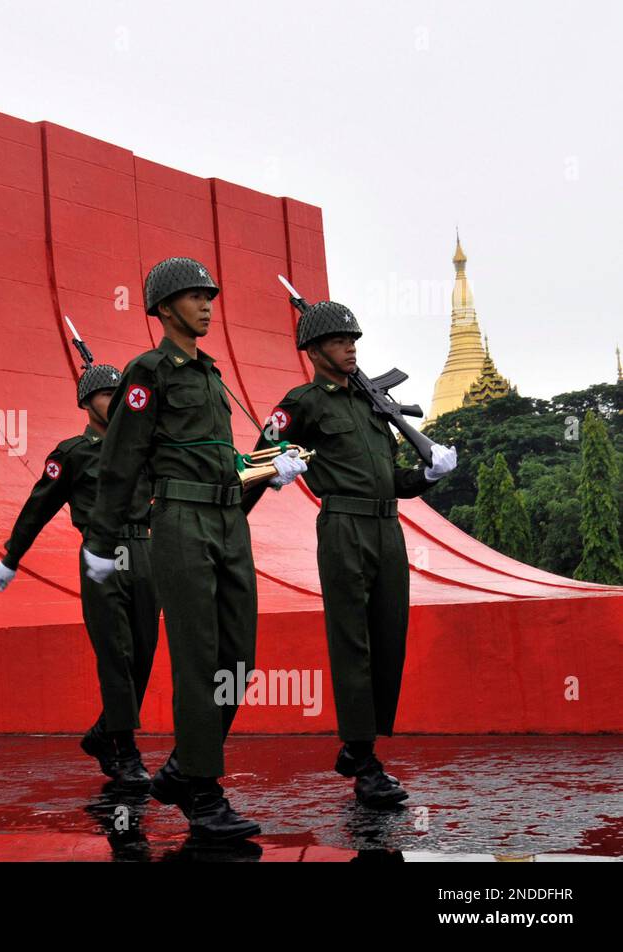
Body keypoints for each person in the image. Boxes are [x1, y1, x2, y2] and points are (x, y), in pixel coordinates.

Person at [84, 257, 307, 840]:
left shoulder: (211, 373)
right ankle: (204, 793)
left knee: (238, 661)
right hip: (180, 521)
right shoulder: (147, 372)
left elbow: (222, 456)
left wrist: (264, 470)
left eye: (210, 295)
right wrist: (103, 543)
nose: (207, 304)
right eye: (193, 296)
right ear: (163, 308)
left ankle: (184, 766)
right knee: (199, 661)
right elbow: (120, 461)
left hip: (230, 518)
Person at [247, 300, 457, 807]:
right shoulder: (301, 403)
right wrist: (260, 485)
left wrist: (425, 476)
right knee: (352, 641)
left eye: (354, 340)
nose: (351, 348)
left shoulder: (370, 405)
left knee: (389, 636)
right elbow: (255, 461)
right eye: (340, 341)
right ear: (315, 351)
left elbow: (392, 479)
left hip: (389, 527)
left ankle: (362, 743)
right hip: (343, 526)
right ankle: (363, 759)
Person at [0, 363, 160, 786]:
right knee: (117, 655)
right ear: (87, 404)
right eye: (108, 396)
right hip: (100, 556)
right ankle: (124, 749)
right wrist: (12, 557)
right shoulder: (72, 453)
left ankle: (105, 733)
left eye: (122, 395)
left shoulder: (143, 447)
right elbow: (38, 508)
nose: (118, 403)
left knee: (143, 654)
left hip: (144, 551)